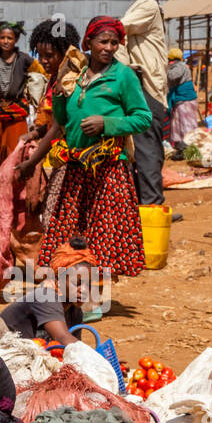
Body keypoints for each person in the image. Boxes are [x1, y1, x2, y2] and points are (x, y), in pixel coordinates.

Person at [24, 17, 151, 279]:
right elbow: (61, 120)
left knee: (102, 233)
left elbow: (143, 117)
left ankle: (93, 295)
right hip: (76, 167)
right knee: (71, 232)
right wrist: (59, 94)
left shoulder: (123, 76)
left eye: (115, 42)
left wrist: (107, 123)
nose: (109, 47)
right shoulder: (75, 75)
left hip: (108, 169)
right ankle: (76, 289)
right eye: (103, 41)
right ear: (88, 43)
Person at [0, 23, 46, 185]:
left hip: (16, 111)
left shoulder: (26, 60)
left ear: (16, 40)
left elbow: (43, 72)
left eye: (9, 38)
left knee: (14, 152)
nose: (5, 41)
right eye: (2, 37)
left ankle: (12, 189)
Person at [117, 0, 169, 206]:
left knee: (150, 149)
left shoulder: (148, 5)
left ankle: (146, 202)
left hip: (151, 86)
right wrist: (128, 67)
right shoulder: (148, 5)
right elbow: (117, 30)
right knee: (149, 151)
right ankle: (151, 206)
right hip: (148, 86)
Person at [22, 18, 85, 167]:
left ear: (65, 53)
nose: (43, 61)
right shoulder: (54, 78)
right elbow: (52, 122)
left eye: (49, 56)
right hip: (55, 150)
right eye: (40, 56)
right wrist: (35, 134)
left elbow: (58, 128)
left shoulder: (68, 82)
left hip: (69, 156)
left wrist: (31, 162)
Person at [167, 47, 200, 152]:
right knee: (178, 123)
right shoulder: (180, 65)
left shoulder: (179, 66)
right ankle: (181, 146)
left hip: (185, 100)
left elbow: (172, 76)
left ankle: (190, 147)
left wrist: (165, 70)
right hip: (181, 100)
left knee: (186, 125)